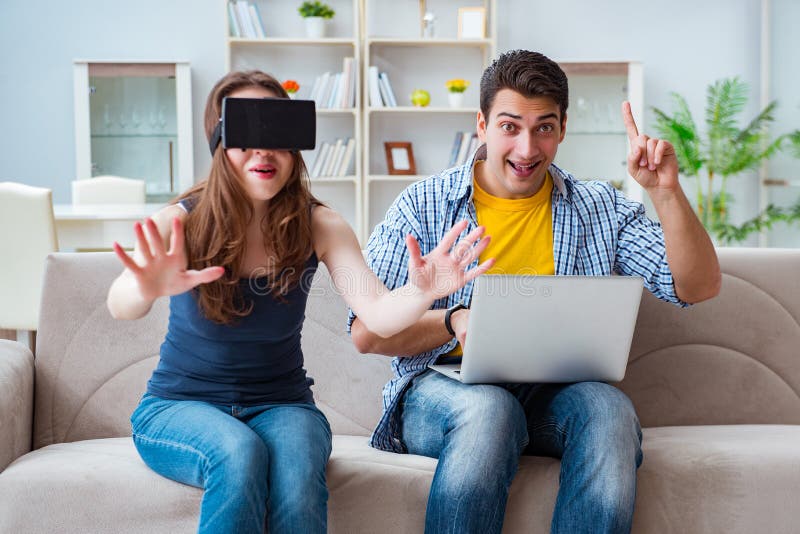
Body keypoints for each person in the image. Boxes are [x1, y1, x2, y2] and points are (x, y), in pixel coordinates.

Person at [106, 70, 494, 534]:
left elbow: (378, 315)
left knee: (295, 474)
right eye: (245, 133)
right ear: (218, 142)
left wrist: (423, 292)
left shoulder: (319, 225)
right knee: (238, 452)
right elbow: (118, 303)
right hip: (178, 406)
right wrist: (144, 287)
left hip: (283, 404)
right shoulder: (182, 221)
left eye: (277, 133)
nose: (263, 150)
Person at [349, 50, 721, 533]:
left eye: (543, 127)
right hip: (442, 392)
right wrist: (453, 319)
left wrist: (665, 190)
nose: (527, 149)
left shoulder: (597, 207)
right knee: (490, 410)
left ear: (562, 129)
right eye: (509, 127)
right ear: (481, 125)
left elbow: (699, 286)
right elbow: (366, 334)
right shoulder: (423, 205)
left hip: (554, 396)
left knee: (609, 412)